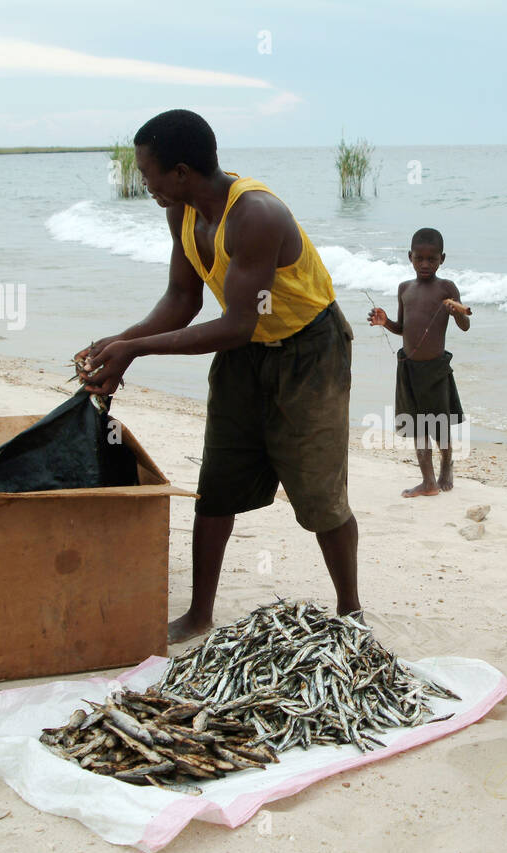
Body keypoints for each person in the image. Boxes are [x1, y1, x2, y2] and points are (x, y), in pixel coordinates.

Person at [77, 109, 360, 642]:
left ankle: (351, 610)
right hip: (245, 356)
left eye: (148, 173)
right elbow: (182, 300)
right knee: (217, 485)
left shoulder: (255, 215)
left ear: (181, 172)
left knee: (320, 493)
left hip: (309, 352)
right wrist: (120, 341)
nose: (145, 184)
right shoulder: (182, 213)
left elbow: (236, 323)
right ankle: (199, 613)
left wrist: (135, 350)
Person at [366, 228, 471, 496]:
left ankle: (447, 462)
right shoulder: (405, 289)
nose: (425, 264)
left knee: (438, 424)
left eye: (432, 259)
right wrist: (385, 321)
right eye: (420, 258)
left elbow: (465, 325)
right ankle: (428, 481)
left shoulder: (446, 288)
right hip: (409, 368)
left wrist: (456, 313)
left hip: (435, 369)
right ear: (410, 257)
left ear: (442, 259)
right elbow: (402, 328)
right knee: (417, 426)